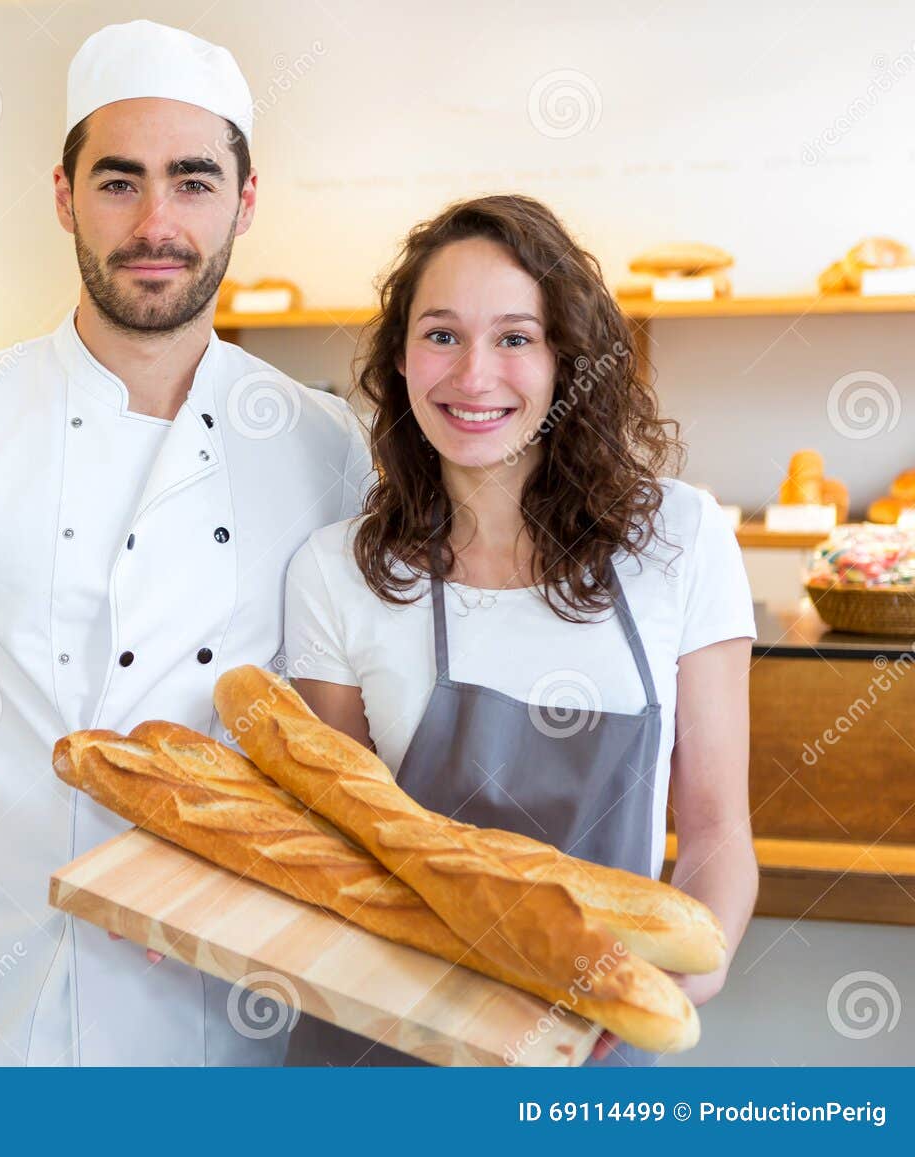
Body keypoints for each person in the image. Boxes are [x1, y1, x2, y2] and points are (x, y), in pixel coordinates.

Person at [0, 20, 372, 1066]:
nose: (156, 222)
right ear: (64, 195)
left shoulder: (328, 448)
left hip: (253, 1018)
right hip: (10, 1022)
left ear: (244, 202)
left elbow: (353, 753)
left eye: (193, 182)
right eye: (119, 182)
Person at [279, 194, 758, 1067]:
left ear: (567, 357)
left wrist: (675, 981)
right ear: (398, 359)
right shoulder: (334, 570)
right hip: (388, 1040)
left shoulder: (682, 540)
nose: (473, 376)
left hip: (598, 1040)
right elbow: (336, 845)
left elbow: (719, 832)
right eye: (440, 334)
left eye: (514, 336)